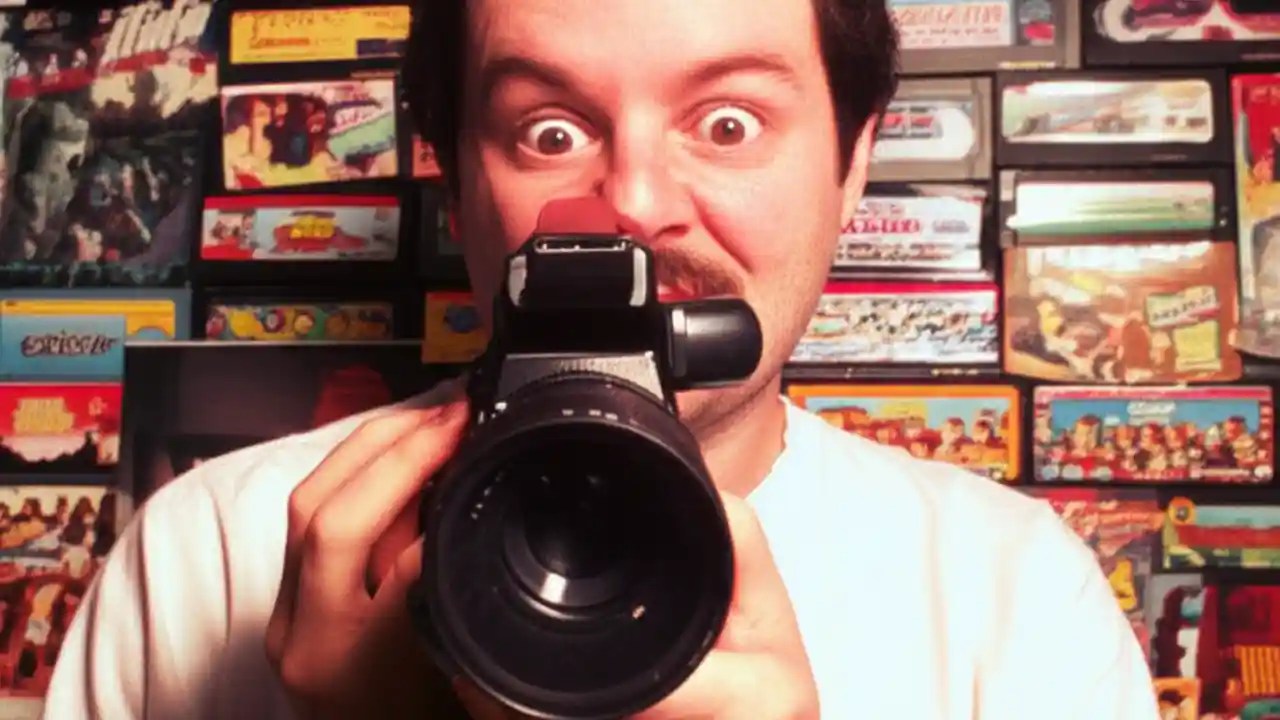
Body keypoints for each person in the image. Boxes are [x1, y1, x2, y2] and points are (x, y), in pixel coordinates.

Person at [44, 0, 1160, 718]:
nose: (630, 204)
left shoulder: (1010, 596)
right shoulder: (208, 557)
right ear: (453, 174)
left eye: (726, 124)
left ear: (854, 156)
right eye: (550, 132)